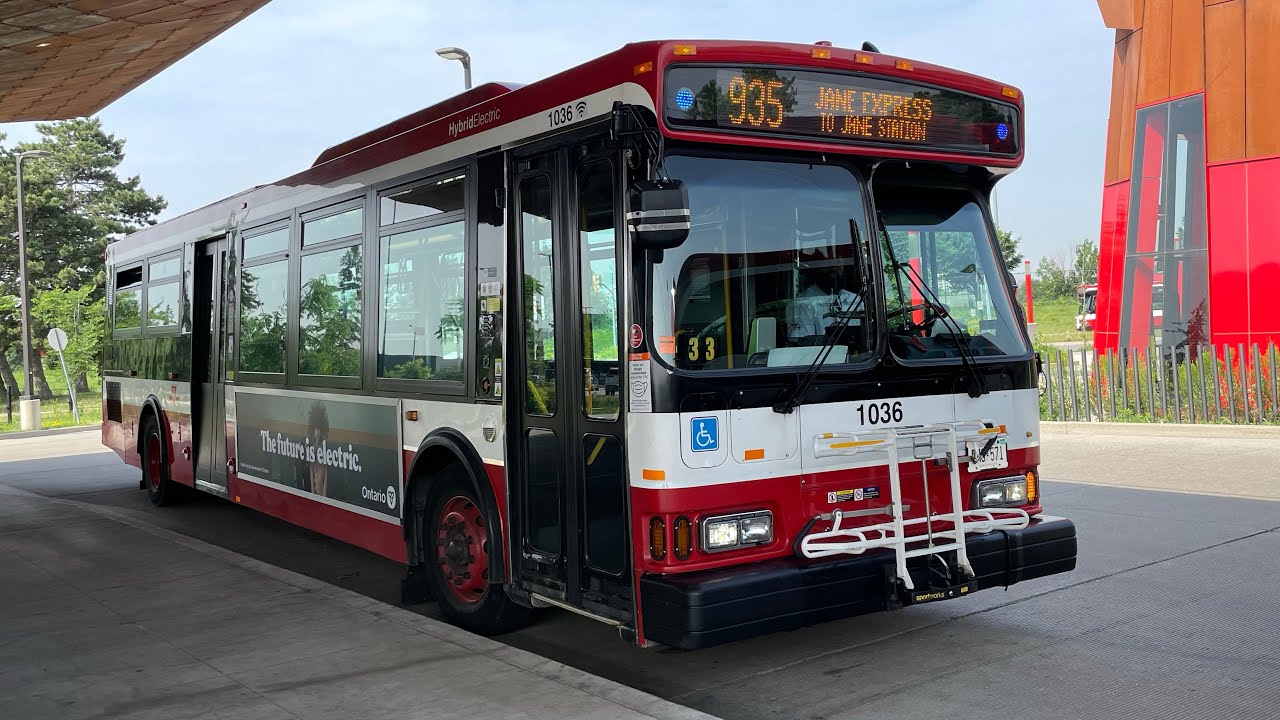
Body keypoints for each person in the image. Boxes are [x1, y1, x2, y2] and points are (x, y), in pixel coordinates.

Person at [787, 255, 863, 343]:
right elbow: (802, 346)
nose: (834, 266)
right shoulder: (802, 304)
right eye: (828, 260)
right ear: (817, 266)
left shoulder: (855, 300)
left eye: (838, 260)